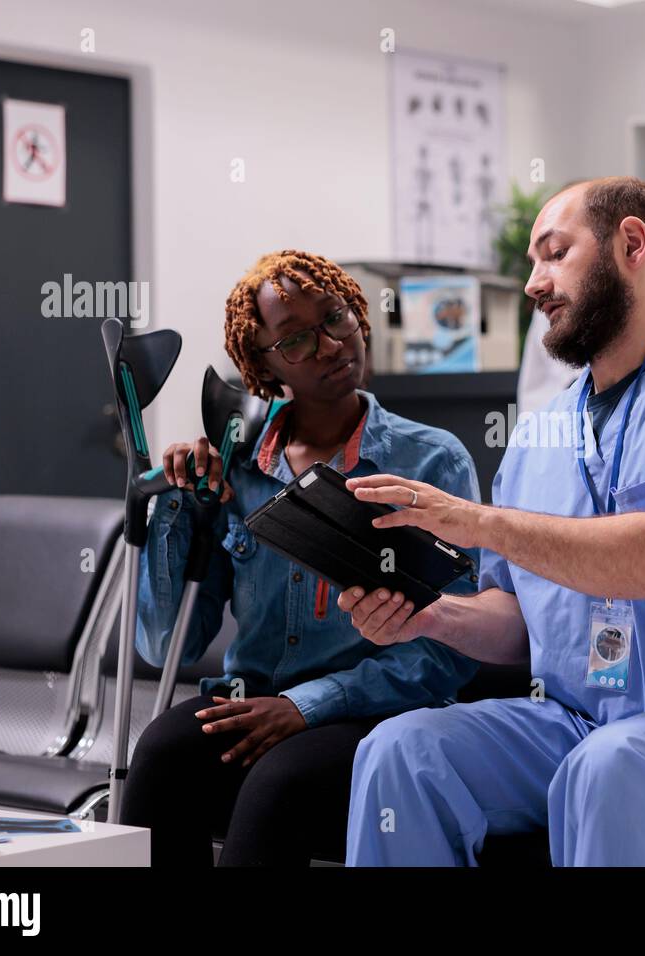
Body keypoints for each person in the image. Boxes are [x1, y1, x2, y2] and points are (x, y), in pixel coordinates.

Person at [337, 177, 645, 866]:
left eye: (554, 254)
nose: (533, 284)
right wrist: (427, 618)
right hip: (580, 723)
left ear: (631, 244)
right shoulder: (540, 434)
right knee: (403, 753)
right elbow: (517, 621)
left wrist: (481, 523)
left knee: (616, 764)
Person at [119, 250, 482, 865]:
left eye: (335, 318)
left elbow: (449, 654)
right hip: (251, 699)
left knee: (281, 782)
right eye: (295, 341)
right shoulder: (236, 464)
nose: (331, 346)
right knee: (160, 756)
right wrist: (178, 504)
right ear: (259, 365)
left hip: (374, 713)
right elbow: (163, 648)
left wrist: (304, 706)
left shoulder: (431, 461)